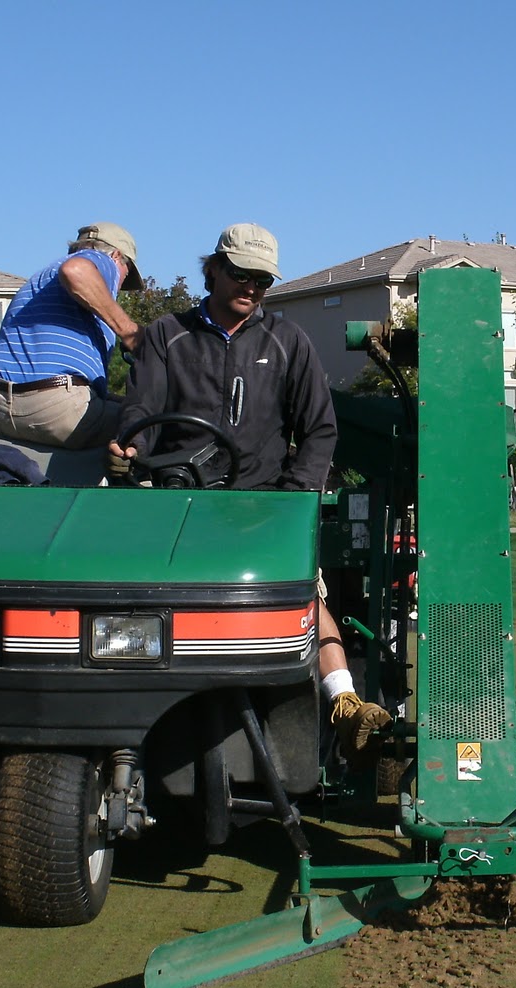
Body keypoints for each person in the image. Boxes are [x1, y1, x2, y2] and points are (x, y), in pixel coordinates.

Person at [112, 222, 390, 764]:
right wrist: (130, 447)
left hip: (264, 504)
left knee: (305, 593)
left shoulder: (287, 343)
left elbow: (319, 431)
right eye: (241, 274)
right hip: (180, 504)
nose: (252, 287)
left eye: (262, 279)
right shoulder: (167, 336)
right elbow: (140, 412)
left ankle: (346, 700)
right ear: (213, 269)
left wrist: (292, 498)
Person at [0, 222, 145, 450]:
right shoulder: (100, 260)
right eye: (126, 275)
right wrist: (131, 333)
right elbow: (76, 271)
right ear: (117, 255)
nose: (120, 284)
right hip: (53, 408)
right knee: (152, 428)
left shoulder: (41, 280)